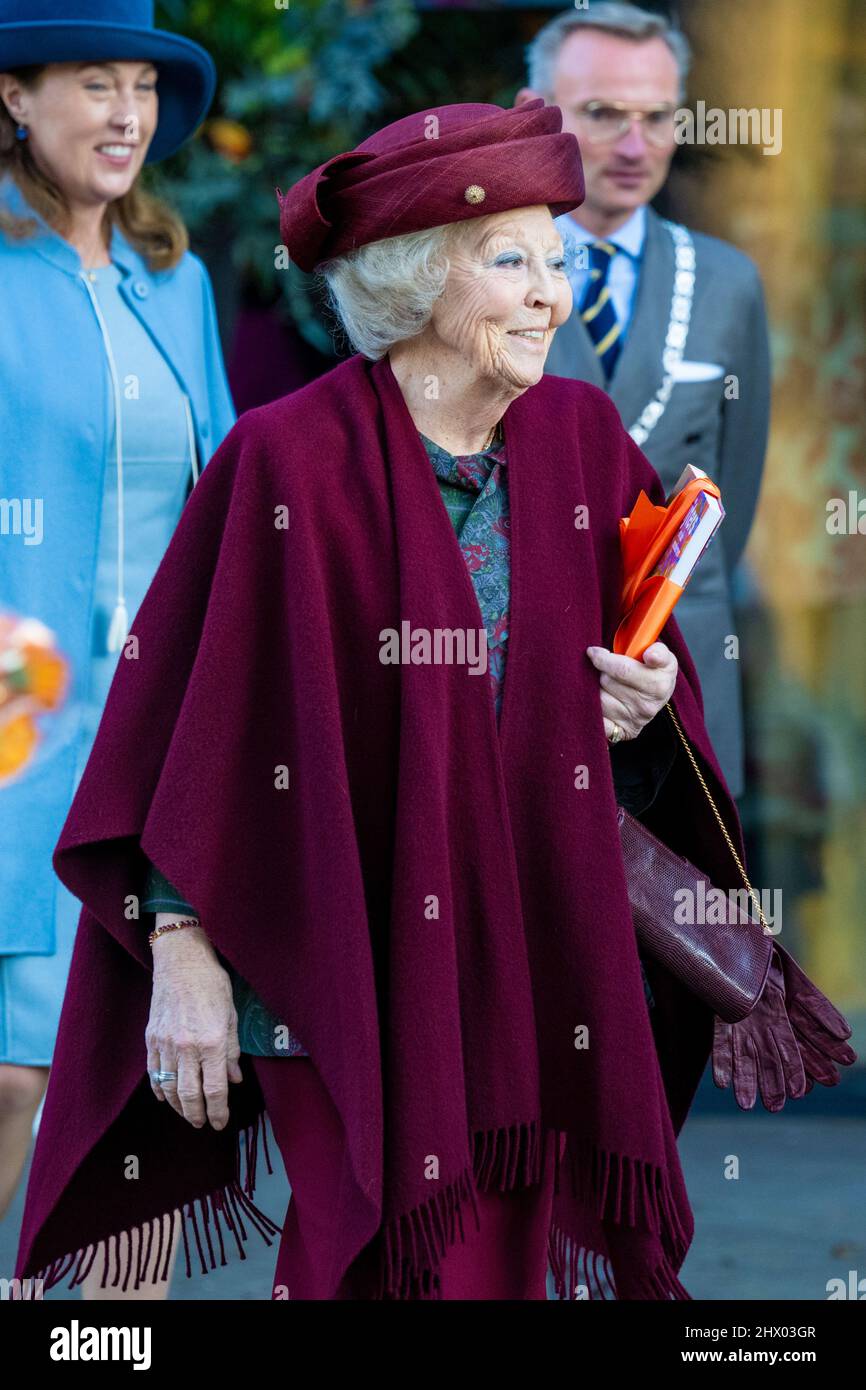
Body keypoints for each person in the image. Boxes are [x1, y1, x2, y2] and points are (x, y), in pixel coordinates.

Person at [16, 99, 763, 1301]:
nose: (547, 295)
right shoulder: (286, 460)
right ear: (417, 283)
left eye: (555, 259)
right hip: (332, 948)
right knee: (376, 1243)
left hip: (538, 943)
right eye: (508, 260)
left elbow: (638, 686)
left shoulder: (578, 439)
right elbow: (185, 735)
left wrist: (649, 692)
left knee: (515, 1260)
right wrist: (184, 951)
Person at [0, 0, 234, 1300]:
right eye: (96, 83)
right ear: (15, 100)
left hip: (159, 741)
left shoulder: (175, 278)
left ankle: (113, 1340)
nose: (128, 114)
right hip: (17, 737)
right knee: (20, 1071)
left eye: (142, 86)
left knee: (155, 1082)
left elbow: (222, 503)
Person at [516, 2, 772, 801]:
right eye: (602, 115)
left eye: (658, 118)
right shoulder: (484, 279)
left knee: (689, 915)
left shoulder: (729, 283)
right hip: (525, 662)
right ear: (536, 115)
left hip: (683, 665)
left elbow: (735, 492)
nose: (635, 147)